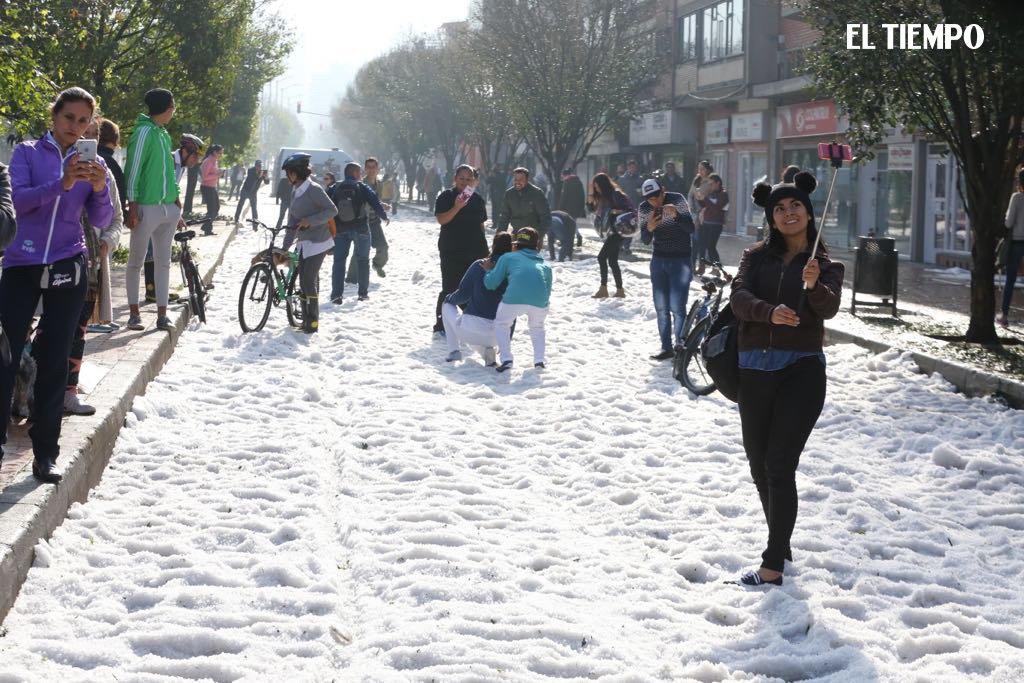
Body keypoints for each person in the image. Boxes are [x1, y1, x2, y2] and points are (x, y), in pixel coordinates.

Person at [731, 171, 844, 586]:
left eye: (795, 205)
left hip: (802, 370)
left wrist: (813, 286)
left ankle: (773, 563)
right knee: (759, 465)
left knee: (780, 464)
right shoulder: (754, 256)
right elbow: (738, 298)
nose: (788, 212)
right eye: (779, 208)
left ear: (809, 212)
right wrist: (768, 311)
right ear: (771, 217)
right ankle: (782, 540)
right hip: (754, 369)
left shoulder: (826, 265)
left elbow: (828, 309)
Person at [0, 87, 113, 483]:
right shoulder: (28, 153)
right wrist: (61, 183)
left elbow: (101, 217)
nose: (75, 127)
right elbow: (18, 201)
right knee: (5, 354)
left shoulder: (95, 163)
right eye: (69, 118)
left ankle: (45, 454)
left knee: (54, 360)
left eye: (84, 122)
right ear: (54, 116)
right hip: (22, 262)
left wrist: (99, 188)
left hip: (68, 263)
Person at [124, 88, 183, 332]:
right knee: (136, 261)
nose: (174, 110)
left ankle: (162, 314)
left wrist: (177, 198)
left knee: (163, 262)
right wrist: (132, 204)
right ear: (168, 107)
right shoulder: (144, 132)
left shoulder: (163, 134)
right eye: (174, 106)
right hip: (146, 206)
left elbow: (169, 170)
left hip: (168, 208)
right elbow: (133, 169)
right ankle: (134, 314)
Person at [638, 177, 695, 361]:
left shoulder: (677, 199)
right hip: (659, 260)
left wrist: (677, 215)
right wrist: (650, 228)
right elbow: (645, 240)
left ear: (663, 191)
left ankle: (680, 347)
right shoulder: (645, 208)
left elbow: (691, 228)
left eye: (657, 197)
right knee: (661, 308)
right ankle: (666, 347)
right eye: (650, 199)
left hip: (681, 260)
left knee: (678, 308)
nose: (655, 202)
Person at [281, 153, 337, 334]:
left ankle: (312, 322)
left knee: (307, 279)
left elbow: (332, 210)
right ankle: (304, 319)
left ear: (297, 172)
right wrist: (285, 246)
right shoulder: (295, 190)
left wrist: (310, 221)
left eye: (289, 172)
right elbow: (292, 219)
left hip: (319, 240)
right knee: (303, 280)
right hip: (304, 242)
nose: (288, 176)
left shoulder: (314, 189)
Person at [484, 227, 553, 372]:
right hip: (540, 301)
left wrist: (488, 270)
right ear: (537, 244)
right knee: (537, 327)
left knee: (502, 324)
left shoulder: (508, 257)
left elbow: (491, 284)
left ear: (515, 245)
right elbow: (547, 291)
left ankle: (507, 359)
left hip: (514, 298)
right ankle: (539, 361)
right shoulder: (545, 265)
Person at [442, 232, 513, 366]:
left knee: (447, 305)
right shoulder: (512, 271)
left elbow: (462, 295)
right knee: (483, 336)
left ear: (493, 246)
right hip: (498, 335)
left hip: (472, 328)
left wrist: (449, 298)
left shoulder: (480, 265)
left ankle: (454, 351)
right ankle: (487, 352)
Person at [433, 164, 489, 333]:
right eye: (461, 178)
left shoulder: (478, 199)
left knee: (471, 289)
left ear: (474, 181)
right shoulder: (445, 196)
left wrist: (486, 252)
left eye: (469, 179)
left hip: (474, 251)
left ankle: (468, 324)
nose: (465, 182)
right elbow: (442, 220)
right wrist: (457, 207)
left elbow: (481, 226)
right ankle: (442, 325)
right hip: (451, 250)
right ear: (455, 179)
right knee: (450, 288)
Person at [328, 162, 389, 304]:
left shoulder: (335, 187)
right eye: (359, 172)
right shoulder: (362, 187)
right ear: (354, 173)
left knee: (339, 262)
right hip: (361, 228)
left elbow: (326, 205)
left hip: (341, 229)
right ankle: (362, 294)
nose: (361, 174)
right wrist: (384, 216)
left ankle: (336, 295)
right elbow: (375, 202)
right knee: (363, 261)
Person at [94, 118, 126, 331]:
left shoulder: (103, 166)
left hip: (104, 233)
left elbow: (114, 213)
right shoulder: (107, 163)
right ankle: (96, 320)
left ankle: (96, 318)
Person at [588, 172, 634, 298]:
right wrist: (591, 193)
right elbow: (590, 209)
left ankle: (604, 289)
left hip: (618, 232)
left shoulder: (616, 194)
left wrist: (617, 211)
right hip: (610, 232)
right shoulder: (602, 198)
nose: (596, 189)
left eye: (597, 186)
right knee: (612, 261)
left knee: (601, 257)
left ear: (603, 185)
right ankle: (620, 290)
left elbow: (631, 210)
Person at [346, 157, 391, 282]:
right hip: (362, 221)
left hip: (375, 221)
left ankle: (377, 265)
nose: (371, 170)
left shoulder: (380, 184)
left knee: (383, 247)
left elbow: (375, 200)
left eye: (373, 167)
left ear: (377, 169)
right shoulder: (360, 184)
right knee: (359, 251)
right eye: (369, 167)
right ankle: (351, 278)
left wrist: (382, 205)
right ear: (365, 169)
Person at [497, 167, 551, 249]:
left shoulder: (536, 193)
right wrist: (499, 236)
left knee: (528, 260)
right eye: (515, 179)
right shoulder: (509, 194)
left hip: (532, 237)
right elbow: (504, 216)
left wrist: (539, 235)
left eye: (521, 179)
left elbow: (546, 217)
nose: (517, 182)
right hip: (516, 234)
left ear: (527, 179)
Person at [1000, 168, 1024, 328]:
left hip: (1016, 242)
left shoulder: (1017, 198)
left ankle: (1004, 316)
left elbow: (1008, 223)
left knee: (1010, 279)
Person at [696, 173, 729, 264]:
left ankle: (718, 266)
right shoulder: (711, 193)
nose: (710, 186)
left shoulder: (723, 194)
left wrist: (705, 199)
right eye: (709, 184)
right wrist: (700, 199)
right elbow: (705, 206)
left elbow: (717, 208)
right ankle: (713, 265)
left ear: (718, 183)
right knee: (706, 245)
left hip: (716, 224)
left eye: (711, 184)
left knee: (711, 246)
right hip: (707, 222)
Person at [688, 159, 714, 269]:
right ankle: (692, 264)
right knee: (694, 240)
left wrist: (704, 205)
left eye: (702, 169)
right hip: (694, 213)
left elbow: (713, 198)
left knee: (702, 241)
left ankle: (702, 264)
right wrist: (691, 207)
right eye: (699, 169)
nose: (700, 171)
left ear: (708, 170)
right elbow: (690, 194)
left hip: (705, 214)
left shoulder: (711, 181)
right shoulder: (696, 180)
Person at [558, 167, 587, 247]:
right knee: (573, 223)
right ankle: (576, 237)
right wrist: (582, 207)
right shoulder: (578, 182)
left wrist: (560, 208)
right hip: (577, 208)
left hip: (568, 208)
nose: (562, 178)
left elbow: (564, 196)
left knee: (568, 224)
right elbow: (582, 195)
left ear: (565, 175)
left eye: (563, 176)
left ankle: (568, 240)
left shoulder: (567, 183)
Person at [199, 144, 223, 236]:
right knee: (212, 209)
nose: (221, 155)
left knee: (216, 208)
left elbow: (213, 173)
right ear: (214, 152)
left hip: (212, 187)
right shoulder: (208, 161)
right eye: (220, 153)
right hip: (207, 187)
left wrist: (220, 172)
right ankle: (207, 229)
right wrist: (217, 175)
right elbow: (204, 177)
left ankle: (206, 226)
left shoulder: (214, 161)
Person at [234, 159, 267, 225]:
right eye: (258, 166)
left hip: (253, 192)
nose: (259, 167)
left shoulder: (263, 172)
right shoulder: (250, 170)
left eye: (260, 166)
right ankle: (236, 218)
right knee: (240, 205)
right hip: (246, 190)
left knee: (254, 208)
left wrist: (266, 177)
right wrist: (259, 176)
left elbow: (267, 182)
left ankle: (255, 223)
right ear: (255, 165)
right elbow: (252, 178)